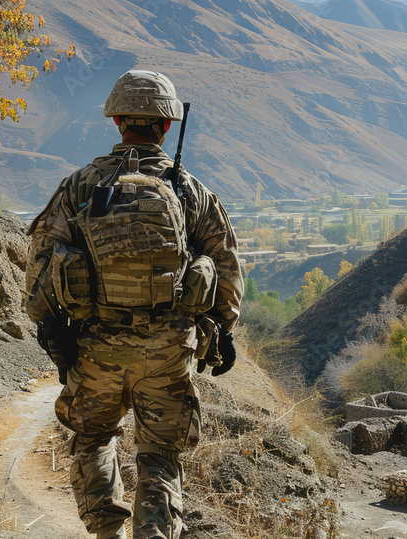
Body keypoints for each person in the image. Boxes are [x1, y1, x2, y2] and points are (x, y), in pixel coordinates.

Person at [24, 70, 243, 539]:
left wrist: (53, 331)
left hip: (96, 347)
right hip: (169, 350)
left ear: (118, 120)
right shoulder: (192, 192)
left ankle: (106, 533)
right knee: (160, 457)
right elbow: (224, 265)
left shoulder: (80, 186)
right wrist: (223, 331)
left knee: (93, 439)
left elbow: (41, 272)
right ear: (166, 125)